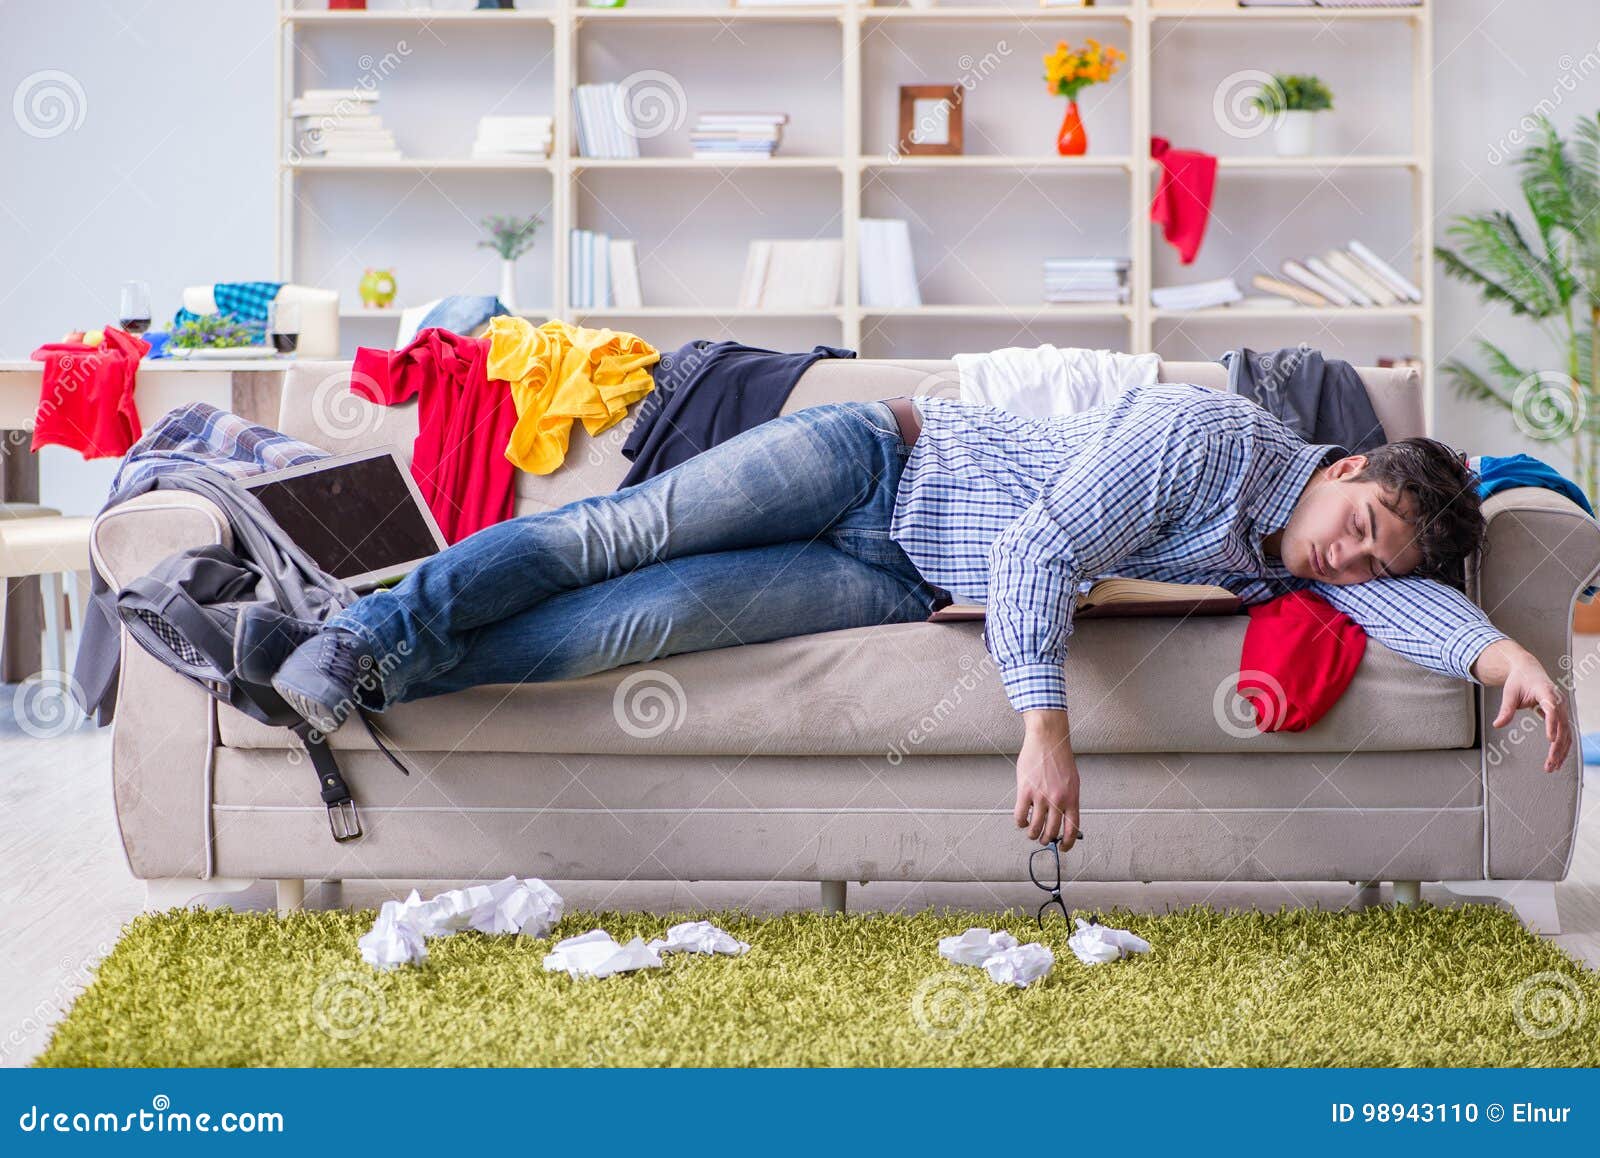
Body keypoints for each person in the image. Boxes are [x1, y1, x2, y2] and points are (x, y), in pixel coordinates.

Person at [270, 383, 1571, 849]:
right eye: (1360, 526)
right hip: (875, 462)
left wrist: (1506, 651)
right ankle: (364, 631)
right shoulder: (1208, 439)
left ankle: (372, 682)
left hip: (897, 578)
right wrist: (1044, 728)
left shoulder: (1300, 557)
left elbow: (1406, 600)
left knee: (631, 627)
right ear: (1348, 466)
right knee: (617, 535)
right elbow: (1041, 550)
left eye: (1371, 561)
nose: (1350, 562)